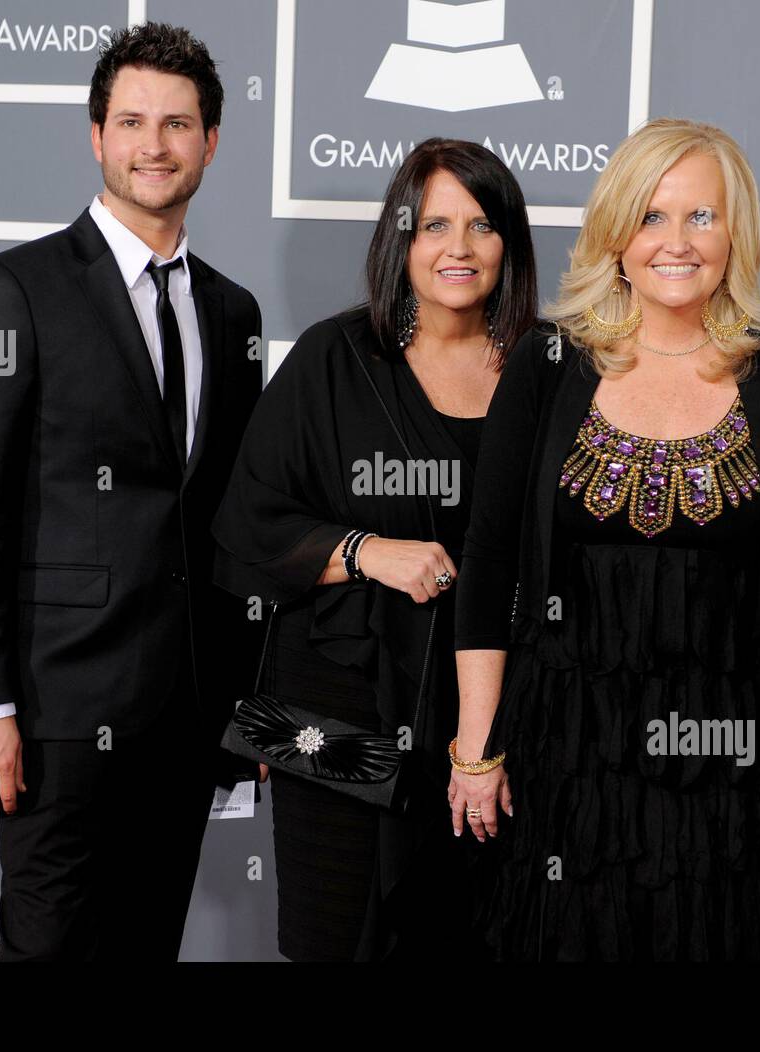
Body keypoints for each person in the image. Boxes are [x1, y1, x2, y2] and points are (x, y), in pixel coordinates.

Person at [450, 118, 760, 961]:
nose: (676, 243)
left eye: (701, 217)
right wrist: (475, 749)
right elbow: (486, 567)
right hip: (566, 748)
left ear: (734, 232)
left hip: (730, 756)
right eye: (652, 216)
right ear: (615, 233)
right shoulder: (546, 365)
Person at [0, 22, 263, 961]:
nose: (153, 145)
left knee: (144, 947)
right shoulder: (13, 289)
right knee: (45, 950)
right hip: (55, 712)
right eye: (130, 122)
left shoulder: (233, 312)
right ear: (96, 136)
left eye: (177, 123)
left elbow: (225, 528)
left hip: (184, 714)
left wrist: (242, 717)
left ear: (210, 141)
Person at [211, 138, 537, 960]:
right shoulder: (334, 355)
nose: (457, 249)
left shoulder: (552, 371)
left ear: (511, 244)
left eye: (480, 225)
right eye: (433, 225)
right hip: (336, 707)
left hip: (495, 716)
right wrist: (364, 549)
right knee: (337, 938)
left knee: (476, 935)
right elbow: (244, 527)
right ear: (401, 239)